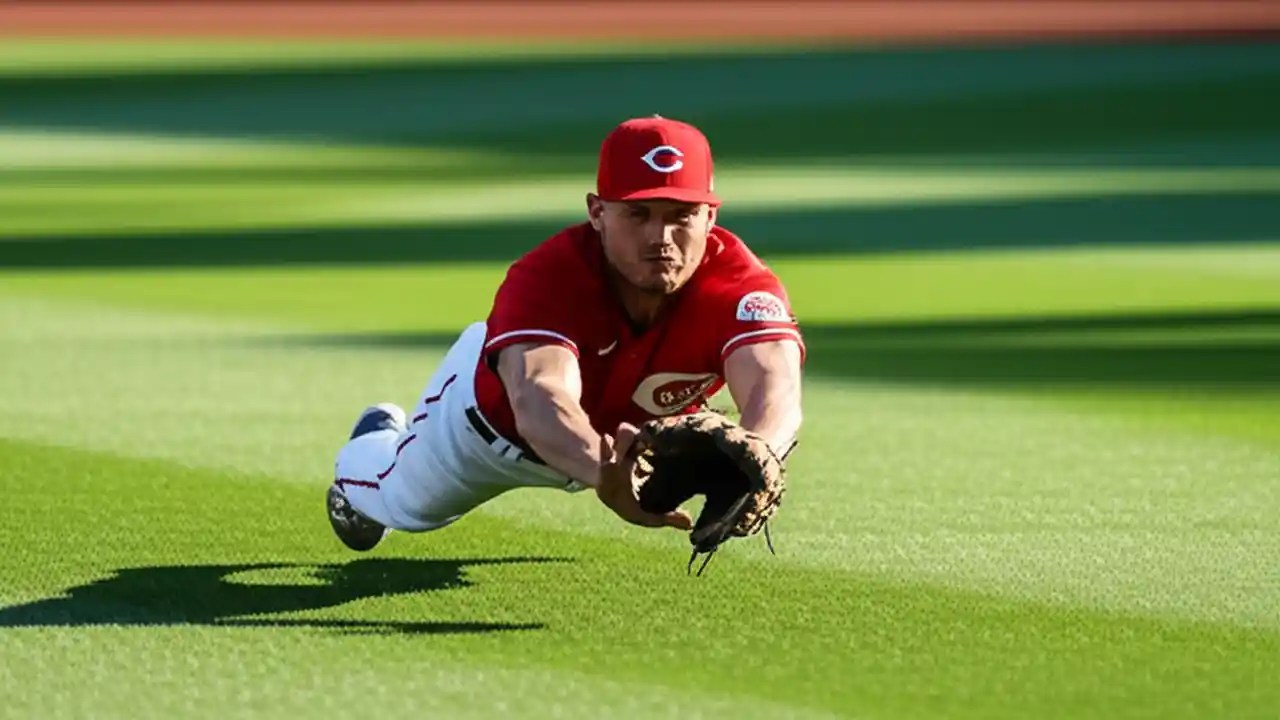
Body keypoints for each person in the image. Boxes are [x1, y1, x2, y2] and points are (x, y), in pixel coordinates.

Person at [327, 115, 805, 551]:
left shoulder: (740, 285)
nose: (660, 237)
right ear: (597, 213)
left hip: (619, 450)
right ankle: (374, 443)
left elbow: (774, 385)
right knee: (400, 506)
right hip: (492, 430)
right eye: (638, 215)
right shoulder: (549, 277)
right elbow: (540, 401)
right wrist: (605, 473)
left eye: (680, 215)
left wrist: (760, 450)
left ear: (710, 217)